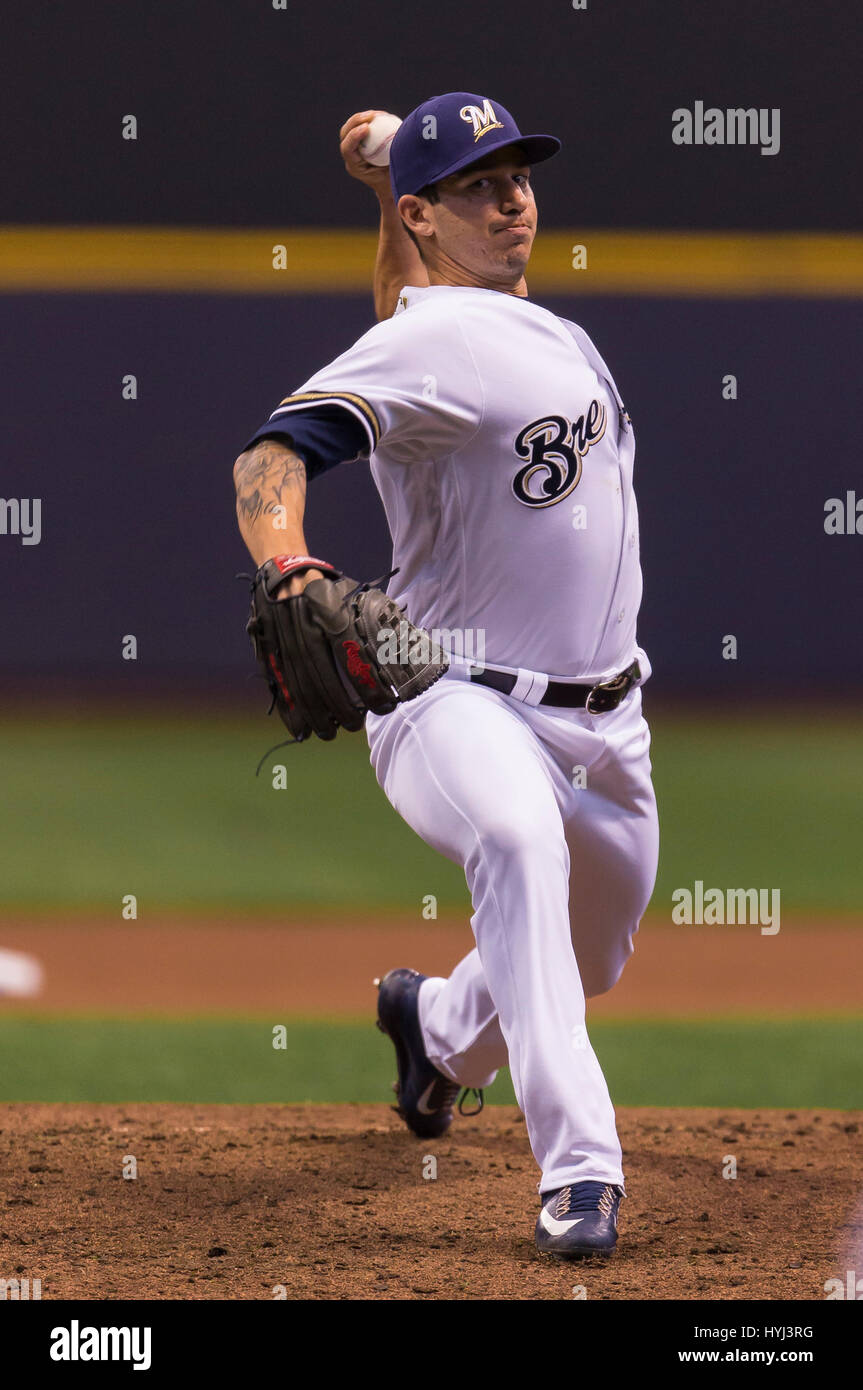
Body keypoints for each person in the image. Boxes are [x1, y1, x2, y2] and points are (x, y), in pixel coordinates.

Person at [233, 93, 659, 1259]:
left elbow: (407, 307)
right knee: (517, 846)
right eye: (479, 185)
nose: (513, 197)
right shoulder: (423, 340)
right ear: (429, 217)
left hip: (609, 722)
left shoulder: (513, 323)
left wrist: (386, 178)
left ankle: (435, 1029)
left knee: (593, 947)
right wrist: (286, 569)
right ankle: (580, 1170)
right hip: (450, 696)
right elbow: (267, 455)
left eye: (517, 174)